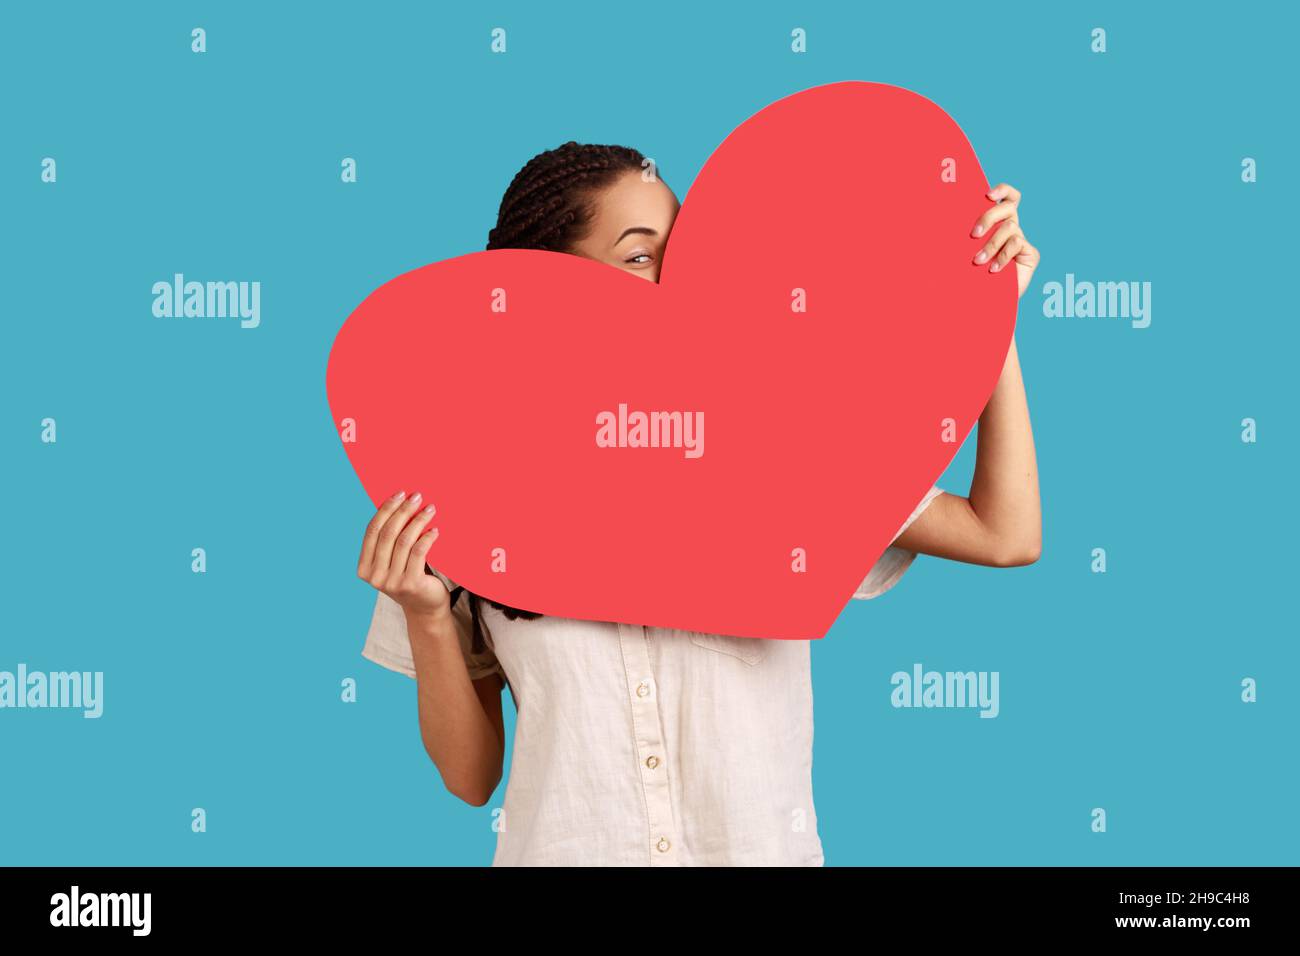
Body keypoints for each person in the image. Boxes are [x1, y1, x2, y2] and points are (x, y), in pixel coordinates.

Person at [356, 142, 1042, 866]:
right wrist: (428, 618)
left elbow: (1004, 533)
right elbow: (471, 780)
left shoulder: (784, 441)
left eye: (684, 253)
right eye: (638, 256)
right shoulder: (462, 481)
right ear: (540, 280)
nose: (676, 280)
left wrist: (987, 316)